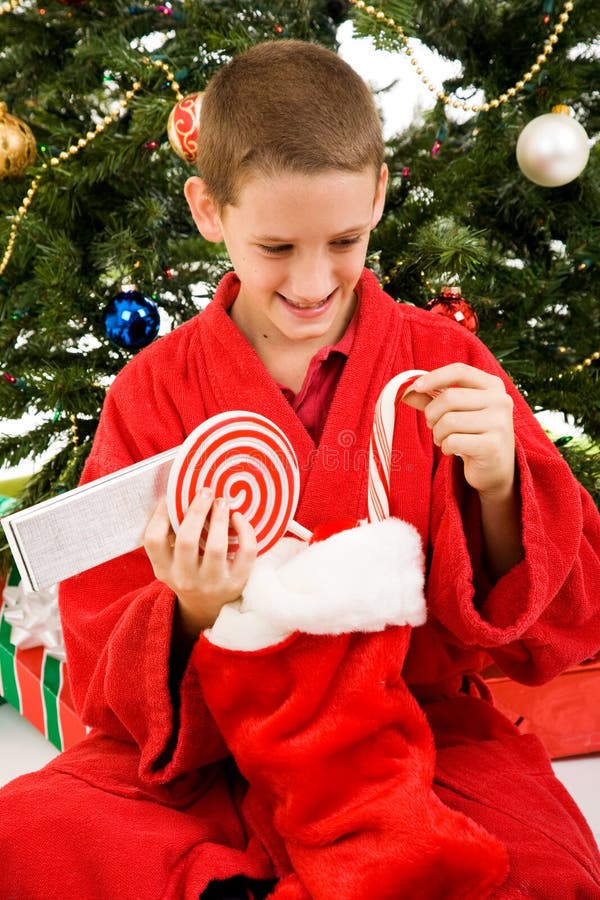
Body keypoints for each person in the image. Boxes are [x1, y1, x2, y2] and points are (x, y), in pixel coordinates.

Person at [1, 39, 599, 900]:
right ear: (209, 210)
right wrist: (193, 607)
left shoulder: (442, 362)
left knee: (546, 871)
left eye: (345, 240)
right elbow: (103, 667)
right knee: (29, 841)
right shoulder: (154, 390)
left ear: (381, 193)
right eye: (277, 246)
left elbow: (557, 624)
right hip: (214, 755)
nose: (315, 281)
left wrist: (500, 483)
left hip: (417, 734)